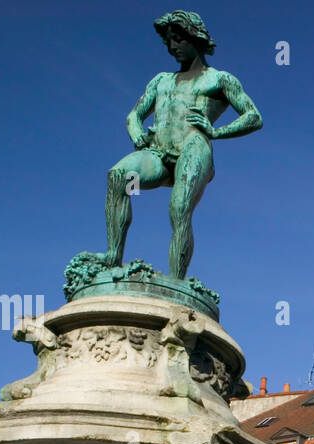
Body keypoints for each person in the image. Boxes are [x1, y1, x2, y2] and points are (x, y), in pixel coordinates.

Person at [96, 11, 263, 280]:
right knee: (119, 177)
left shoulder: (219, 79)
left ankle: (176, 282)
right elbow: (134, 115)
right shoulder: (161, 80)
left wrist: (215, 131)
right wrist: (138, 134)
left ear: (195, 38)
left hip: (193, 149)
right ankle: (113, 257)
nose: (172, 47)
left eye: (178, 39)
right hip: (158, 156)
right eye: (169, 42)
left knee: (179, 209)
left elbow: (253, 117)